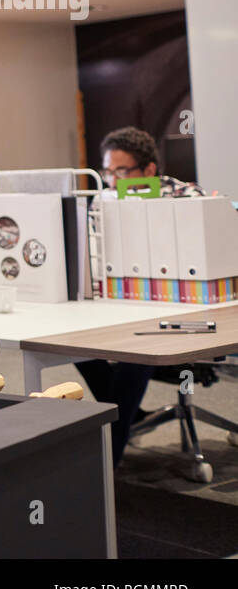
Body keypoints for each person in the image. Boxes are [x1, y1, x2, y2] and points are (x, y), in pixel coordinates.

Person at [81, 126, 216, 465]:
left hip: (182, 310)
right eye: (106, 171)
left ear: (150, 170)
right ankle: (127, 414)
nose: (111, 180)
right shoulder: (103, 202)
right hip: (122, 304)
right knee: (71, 344)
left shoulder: (187, 198)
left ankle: (108, 463)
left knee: (135, 353)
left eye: (121, 172)